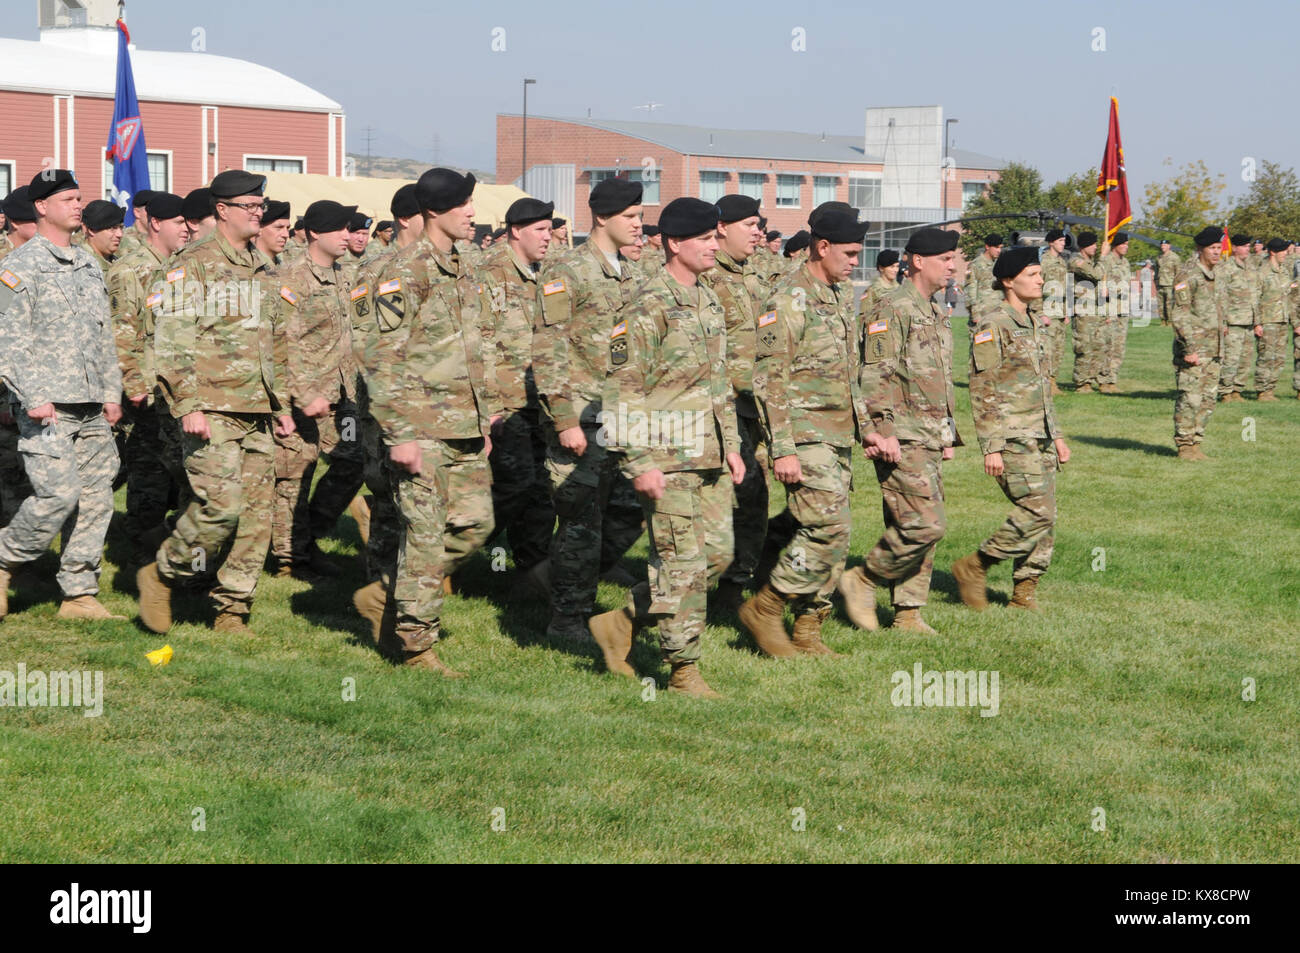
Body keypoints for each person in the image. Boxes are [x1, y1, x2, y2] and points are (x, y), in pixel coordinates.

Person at [588, 198, 744, 696]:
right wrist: (639, 462)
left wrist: (732, 444)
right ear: (675, 243)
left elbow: (719, 382)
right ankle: (682, 670)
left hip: (709, 453)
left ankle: (623, 621)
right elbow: (622, 390)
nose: (715, 246)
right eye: (706, 239)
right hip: (665, 455)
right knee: (681, 565)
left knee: (716, 556)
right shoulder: (646, 304)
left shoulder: (708, 299)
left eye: (716, 237)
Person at [137, 170, 295, 635]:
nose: (259, 213)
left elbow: (275, 341)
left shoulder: (263, 266)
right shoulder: (193, 264)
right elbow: (171, 339)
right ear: (222, 210)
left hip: (258, 409)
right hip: (212, 406)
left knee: (257, 517)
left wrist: (282, 407)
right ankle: (163, 572)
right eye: (250, 206)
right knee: (221, 507)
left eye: (261, 205)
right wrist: (188, 405)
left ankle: (232, 608)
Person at [355, 168, 497, 675]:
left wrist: (483, 420)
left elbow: (474, 348)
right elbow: (381, 357)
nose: (472, 214)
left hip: (463, 425)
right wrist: (400, 433)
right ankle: (415, 645)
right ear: (435, 211)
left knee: (477, 524)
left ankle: (387, 594)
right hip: (419, 426)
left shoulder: (464, 266)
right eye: (463, 205)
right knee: (425, 535)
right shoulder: (404, 271)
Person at [740, 203, 870, 657]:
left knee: (833, 534)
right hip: (803, 432)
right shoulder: (788, 299)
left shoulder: (836, 294)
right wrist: (783, 448)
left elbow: (847, 369)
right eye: (849, 254)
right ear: (823, 246)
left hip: (836, 433)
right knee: (829, 527)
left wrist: (866, 426)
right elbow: (769, 377)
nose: (855, 263)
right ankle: (767, 605)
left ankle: (809, 628)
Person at [0, 170, 124, 621]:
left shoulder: (89, 265)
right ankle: (5, 558)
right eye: (68, 199)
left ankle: (79, 594)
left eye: (78, 198)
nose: (78, 205)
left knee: (97, 499)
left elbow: (103, 335)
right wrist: (32, 396)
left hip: (90, 405)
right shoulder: (19, 266)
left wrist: (111, 392)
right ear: (41, 207)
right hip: (47, 406)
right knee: (58, 496)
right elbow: (8, 338)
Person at [531, 178, 646, 643]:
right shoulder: (568, 270)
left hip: (622, 417)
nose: (638, 225)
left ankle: (551, 579)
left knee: (630, 511)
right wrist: (563, 420)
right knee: (581, 523)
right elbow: (549, 348)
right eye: (630, 217)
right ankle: (567, 620)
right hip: (581, 417)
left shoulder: (631, 272)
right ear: (602, 217)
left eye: (640, 217)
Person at [838, 227, 961, 634]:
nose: (953, 266)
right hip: (902, 434)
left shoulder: (932, 310)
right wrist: (883, 429)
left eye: (953, 259)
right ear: (919, 261)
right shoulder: (891, 307)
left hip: (928, 433)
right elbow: (875, 373)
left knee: (913, 523)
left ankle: (908, 613)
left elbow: (938, 379)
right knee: (926, 522)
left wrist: (947, 433)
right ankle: (863, 578)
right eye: (945, 259)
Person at [952, 246, 1070, 612]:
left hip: (1041, 433)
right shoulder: (994, 324)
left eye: (1040, 274)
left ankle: (1024, 593)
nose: (1041, 280)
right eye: (1032, 275)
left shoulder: (1033, 322)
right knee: (1038, 510)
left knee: (1045, 516)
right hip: (1012, 434)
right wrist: (991, 446)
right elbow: (982, 387)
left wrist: (1057, 435)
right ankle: (976, 565)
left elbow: (1041, 385)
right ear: (1008, 281)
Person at [269, 200, 366, 581]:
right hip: (303, 397)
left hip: (343, 396)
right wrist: (303, 393)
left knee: (354, 461)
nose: (347, 235)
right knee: (297, 472)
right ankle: (290, 558)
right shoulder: (292, 279)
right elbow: (281, 343)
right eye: (338, 228)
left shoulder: (345, 275)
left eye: (348, 228)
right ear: (313, 233)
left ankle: (308, 536)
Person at [476, 198, 557, 592]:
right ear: (515, 231)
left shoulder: (544, 272)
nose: (548, 237)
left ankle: (531, 568)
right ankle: (449, 554)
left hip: (539, 402)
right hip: (506, 405)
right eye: (540, 230)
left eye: (550, 230)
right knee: (514, 485)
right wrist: (489, 410)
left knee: (542, 490)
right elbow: (479, 344)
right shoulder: (491, 273)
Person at [106, 191, 191, 565]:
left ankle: (156, 537)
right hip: (146, 390)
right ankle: (142, 543)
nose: (186, 229)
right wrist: (134, 384)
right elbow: (122, 331)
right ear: (156, 223)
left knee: (169, 469)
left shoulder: (175, 267)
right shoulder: (131, 269)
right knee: (148, 470)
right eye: (178, 222)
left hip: (172, 387)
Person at [700, 194, 766, 609]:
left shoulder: (753, 275)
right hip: (719, 411)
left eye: (759, 226)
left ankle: (733, 586)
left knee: (752, 500)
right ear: (722, 227)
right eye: (750, 225)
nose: (758, 233)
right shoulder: (708, 277)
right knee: (728, 500)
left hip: (752, 408)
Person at [0, 188, 40, 525]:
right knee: (12, 468)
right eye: (33, 220)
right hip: (7, 387)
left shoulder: (39, 259)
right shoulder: (6, 265)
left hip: (33, 384)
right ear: (15, 222)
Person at [1169, 226, 1226, 460]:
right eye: (1212, 248)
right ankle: (1184, 445)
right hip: (1194, 350)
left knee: (1208, 400)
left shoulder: (1217, 273)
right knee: (1190, 399)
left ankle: (1196, 443)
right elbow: (1180, 315)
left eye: (1219, 248)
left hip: (1214, 349)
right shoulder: (1188, 275)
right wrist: (1189, 348)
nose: (1217, 252)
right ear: (1201, 249)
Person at [1217, 234, 1259, 401]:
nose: (1248, 249)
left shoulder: (1250, 267)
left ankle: (1237, 390)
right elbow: (1221, 296)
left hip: (1249, 321)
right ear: (1234, 248)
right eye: (1244, 246)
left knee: (1245, 360)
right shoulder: (1226, 268)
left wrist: (1257, 321)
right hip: (1233, 321)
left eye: (1248, 246)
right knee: (1230, 359)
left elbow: (1255, 296)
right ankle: (1225, 391)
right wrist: (1223, 322)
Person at [1252, 238, 1292, 401]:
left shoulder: (1284, 271)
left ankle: (1270, 389)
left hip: (1282, 319)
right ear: (1273, 252)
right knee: (1266, 357)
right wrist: (1257, 323)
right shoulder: (1262, 272)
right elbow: (1255, 299)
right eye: (1282, 251)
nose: (1285, 253)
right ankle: (1262, 390)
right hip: (1267, 320)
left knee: (1279, 358)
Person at [1069, 230, 1106, 392]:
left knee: (1097, 346)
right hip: (1083, 311)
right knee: (1084, 347)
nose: (1095, 247)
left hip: (1095, 310)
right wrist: (1103, 257)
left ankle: (1090, 380)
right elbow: (1096, 275)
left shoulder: (1091, 262)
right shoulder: (1076, 261)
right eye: (1092, 244)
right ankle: (1081, 382)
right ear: (1084, 246)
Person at [1097, 231, 1132, 393]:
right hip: (1109, 309)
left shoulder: (1125, 262)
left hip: (1122, 310)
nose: (1126, 247)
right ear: (1116, 245)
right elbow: (1100, 282)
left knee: (1119, 347)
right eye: (1123, 244)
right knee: (1107, 346)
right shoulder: (1107, 261)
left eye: (1127, 244)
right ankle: (1103, 380)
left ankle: (1112, 380)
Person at [1038, 229, 1070, 394]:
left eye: (1064, 241)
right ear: (1051, 243)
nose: (1063, 244)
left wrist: (1066, 311)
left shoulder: (1062, 262)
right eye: (1060, 241)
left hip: (1059, 313)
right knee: (1048, 350)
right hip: (1047, 312)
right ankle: (1045, 382)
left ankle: (1053, 381)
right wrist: (1040, 313)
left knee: (1058, 349)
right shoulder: (1044, 262)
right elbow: (1037, 288)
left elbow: (1064, 289)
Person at [965, 234, 1002, 325]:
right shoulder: (975, 265)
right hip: (982, 314)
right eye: (996, 247)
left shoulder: (998, 264)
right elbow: (970, 290)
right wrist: (975, 314)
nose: (999, 250)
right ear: (987, 247)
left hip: (998, 313)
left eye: (1000, 248)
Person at [82, 200, 126, 272]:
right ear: (92, 230)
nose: (120, 234)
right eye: (112, 228)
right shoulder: (81, 265)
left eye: (121, 227)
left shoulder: (120, 263)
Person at [859, 250, 899, 319]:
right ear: (881, 268)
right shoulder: (872, 291)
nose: (896, 270)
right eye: (892, 267)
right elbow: (864, 318)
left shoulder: (900, 288)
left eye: (897, 266)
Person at [255, 200, 291, 266]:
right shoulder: (245, 266)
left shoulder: (284, 266)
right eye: (279, 228)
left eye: (287, 228)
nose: (286, 235)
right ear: (259, 228)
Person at [1156, 238, 1182, 326]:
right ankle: (1163, 320)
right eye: (1161, 245)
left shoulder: (1175, 257)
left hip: (1170, 284)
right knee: (1160, 304)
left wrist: (1178, 285)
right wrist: (1156, 282)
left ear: (1169, 246)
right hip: (1160, 284)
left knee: (1169, 304)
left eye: (1165, 245)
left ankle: (1170, 321)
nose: (1162, 247)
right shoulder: (1159, 257)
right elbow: (1157, 270)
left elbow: (1178, 272)